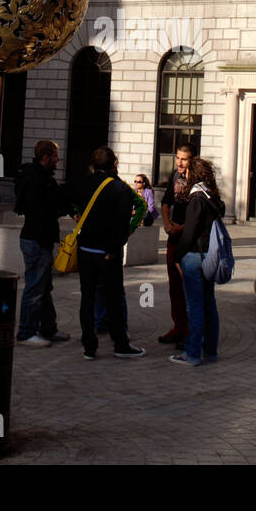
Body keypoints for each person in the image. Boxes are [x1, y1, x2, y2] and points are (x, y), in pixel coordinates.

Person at [67, 147, 146, 359]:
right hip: (107, 252)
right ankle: (120, 344)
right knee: (114, 299)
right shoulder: (120, 188)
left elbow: (65, 198)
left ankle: (89, 347)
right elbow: (122, 223)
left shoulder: (83, 182)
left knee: (87, 298)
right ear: (114, 164)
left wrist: (75, 214)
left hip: (85, 249)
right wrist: (114, 248)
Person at [13, 140, 72, 347]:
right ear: (46, 157)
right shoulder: (38, 179)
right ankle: (26, 332)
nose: (58, 160)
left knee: (43, 286)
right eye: (55, 156)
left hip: (37, 238)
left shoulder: (37, 176)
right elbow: (44, 207)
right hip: (37, 239)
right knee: (35, 287)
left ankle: (48, 328)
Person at [170, 156, 225, 366]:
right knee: (209, 304)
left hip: (194, 256)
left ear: (194, 175)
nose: (183, 175)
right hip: (210, 256)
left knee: (195, 307)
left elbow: (189, 233)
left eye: (187, 173)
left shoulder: (196, 199)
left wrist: (177, 255)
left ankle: (192, 353)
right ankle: (211, 351)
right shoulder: (213, 198)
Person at [158, 143, 195, 347]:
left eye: (184, 159)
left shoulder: (198, 181)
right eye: (178, 158)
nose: (179, 163)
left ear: (192, 160)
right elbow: (166, 203)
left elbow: (201, 215)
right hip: (174, 238)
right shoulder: (174, 176)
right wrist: (167, 223)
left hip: (190, 241)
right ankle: (179, 327)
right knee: (175, 287)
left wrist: (182, 228)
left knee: (190, 287)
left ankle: (192, 332)